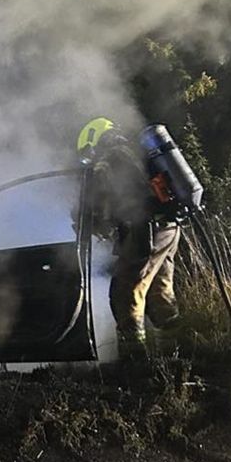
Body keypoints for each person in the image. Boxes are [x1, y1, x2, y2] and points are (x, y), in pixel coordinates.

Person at [76, 118, 182, 361]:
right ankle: (177, 353)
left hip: (145, 229)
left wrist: (91, 220)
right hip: (168, 226)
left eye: (87, 153)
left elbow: (104, 201)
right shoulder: (136, 151)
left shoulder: (110, 158)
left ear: (94, 142)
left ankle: (135, 362)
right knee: (159, 293)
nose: (89, 159)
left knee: (125, 290)